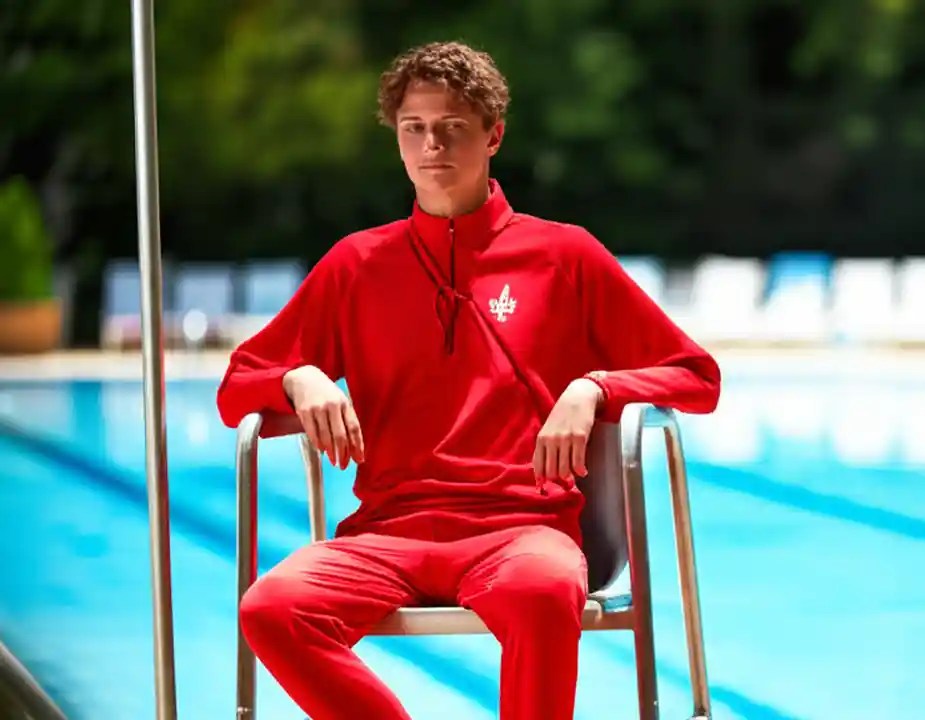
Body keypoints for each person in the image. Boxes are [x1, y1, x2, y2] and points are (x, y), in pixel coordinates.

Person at [215, 40, 721, 720]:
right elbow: (237, 386)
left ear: (494, 135)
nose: (432, 146)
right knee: (273, 609)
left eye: (452, 128)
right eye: (413, 129)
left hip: (523, 529)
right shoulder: (357, 265)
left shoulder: (564, 255)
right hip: (386, 533)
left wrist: (598, 387)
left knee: (545, 591)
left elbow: (697, 376)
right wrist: (300, 378)